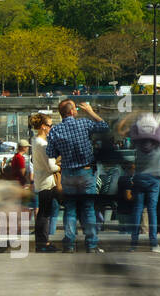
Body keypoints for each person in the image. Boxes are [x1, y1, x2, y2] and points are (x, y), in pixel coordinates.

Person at [46, 100, 109, 253]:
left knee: (70, 209)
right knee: (88, 209)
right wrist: (90, 111)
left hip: (68, 173)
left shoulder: (55, 130)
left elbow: (51, 153)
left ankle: (69, 244)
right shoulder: (84, 124)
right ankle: (91, 244)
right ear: (73, 112)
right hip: (86, 172)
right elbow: (104, 127)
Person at [126, 113, 160, 252]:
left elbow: (131, 131)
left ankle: (133, 244)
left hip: (139, 176)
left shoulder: (137, 140)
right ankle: (153, 244)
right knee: (152, 211)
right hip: (154, 178)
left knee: (137, 210)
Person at [28, 114, 60, 252]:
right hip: (47, 181)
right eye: (50, 125)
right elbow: (51, 167)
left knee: (43, 212)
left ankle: (42, 242)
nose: (51, 128)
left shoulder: (35, 141)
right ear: (43, 126)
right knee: (45, 213)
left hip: (41, 180)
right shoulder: (43, 144)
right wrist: (60, 165)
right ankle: (43, 243)